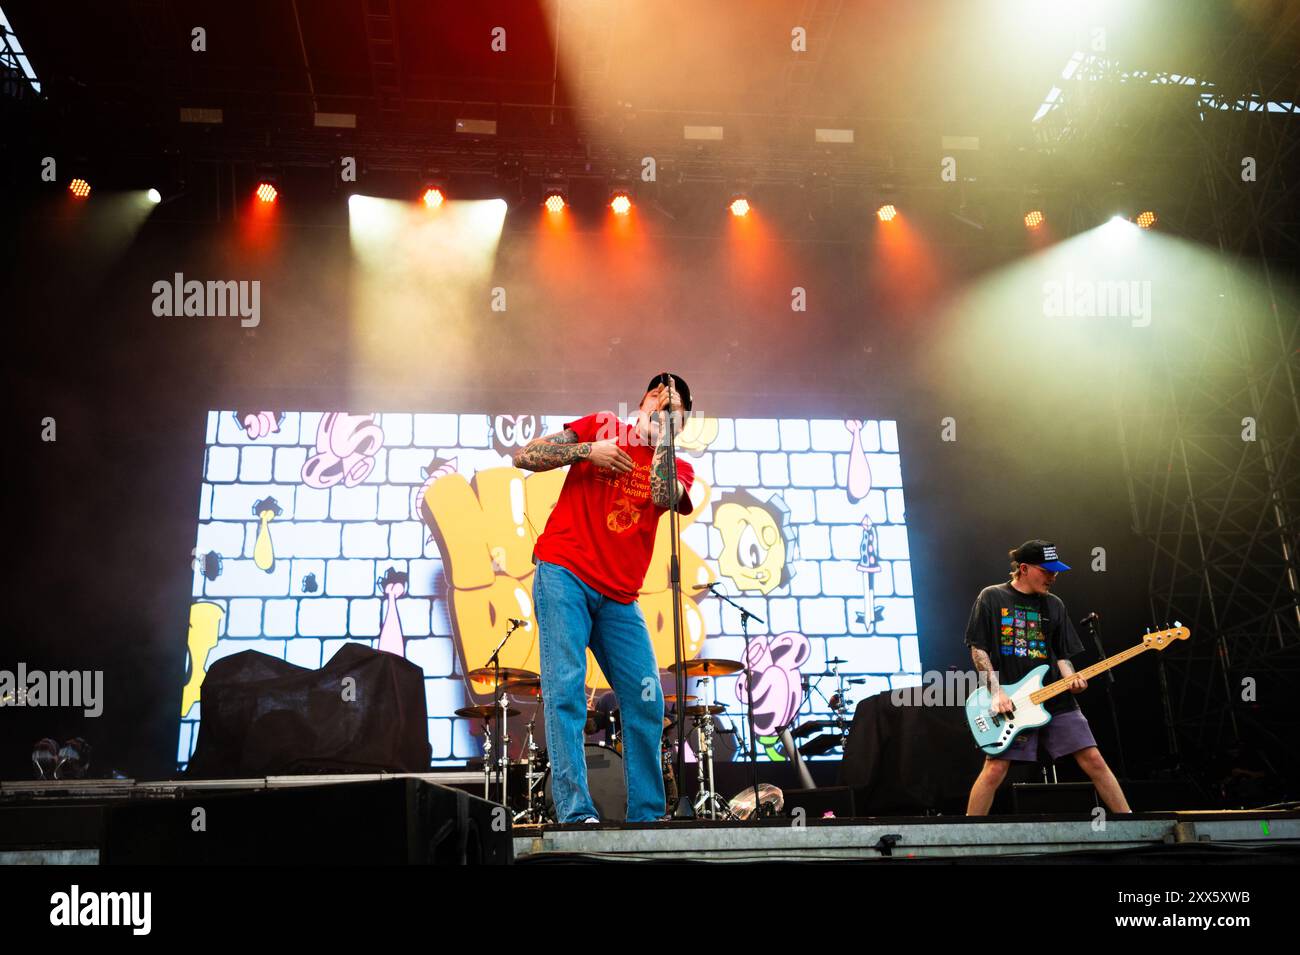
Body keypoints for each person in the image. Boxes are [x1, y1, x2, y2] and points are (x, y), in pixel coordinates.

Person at [513, 374, 696, 823]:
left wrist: (664, 434)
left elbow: (661, 493)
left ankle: (648, 817)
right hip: (565, 573)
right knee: (567, 690)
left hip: (619, 598)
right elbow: (525, 455)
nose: (664, 406)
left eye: (675, 407)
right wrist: (585, 450)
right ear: (641, 400)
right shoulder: (601, 425)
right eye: (658, 397)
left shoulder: (677, 466)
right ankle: (576, 812)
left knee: (647, 698)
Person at [964, 539, 1131, 816]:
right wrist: (996, 693)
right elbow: (978, 648)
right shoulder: (992, 596)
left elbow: (1062, 654)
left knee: (1094, 759)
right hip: (1012, 699)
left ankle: (1132, 824)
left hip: (1056, 698)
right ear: (1025, 568)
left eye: (1056, 571)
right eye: (1047, 571)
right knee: (995, 769)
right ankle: (965, 836)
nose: (1053, 577)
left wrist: (1072, 679)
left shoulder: (1054, 605)